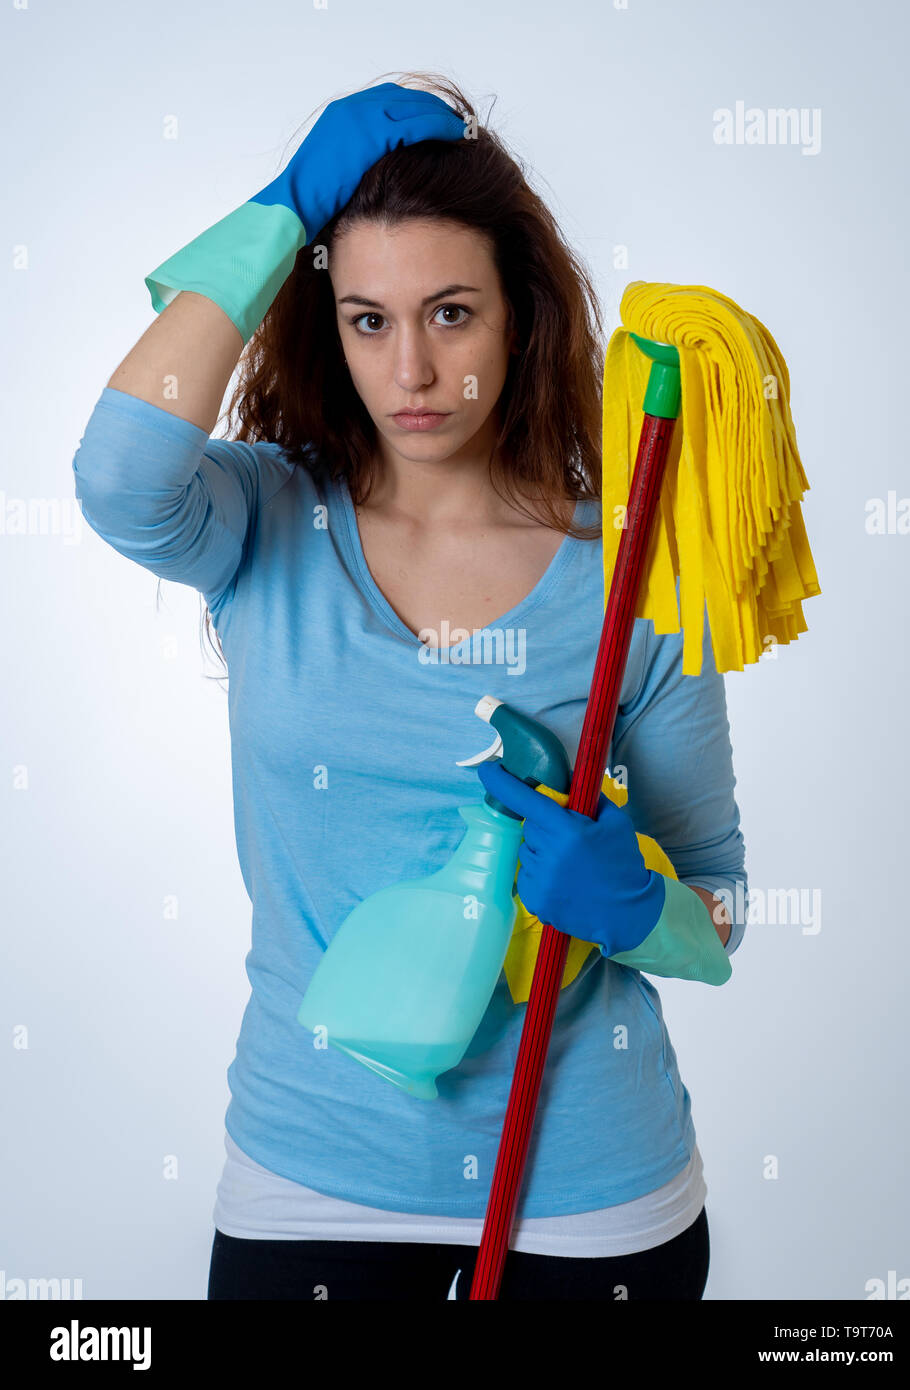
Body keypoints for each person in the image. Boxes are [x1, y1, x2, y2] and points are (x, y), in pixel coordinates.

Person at [71, 71, 748, 1302]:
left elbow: (724, 912)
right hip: (308, 1180)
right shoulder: (266, 517)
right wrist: (288, 209)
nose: (413, 370)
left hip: (590, 1204)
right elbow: (118, 474)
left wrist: (638, 901)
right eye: (368, 318)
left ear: (521, 317)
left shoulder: (632, 574)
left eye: (450, 313)